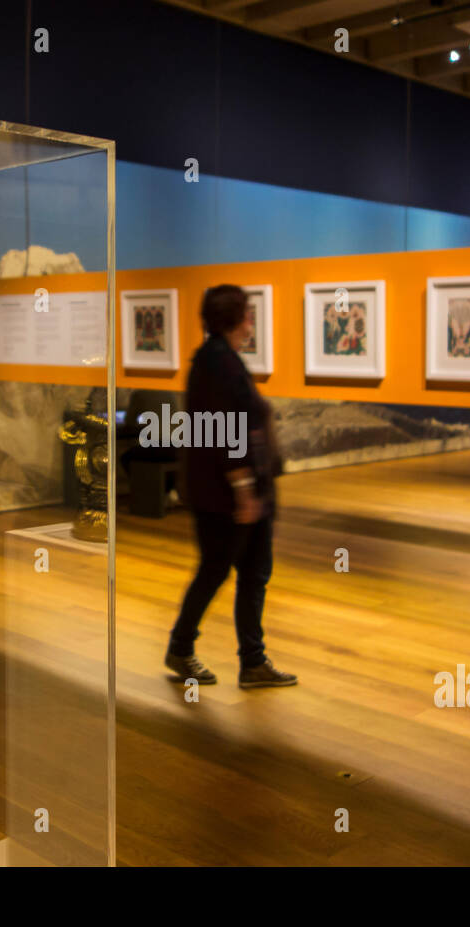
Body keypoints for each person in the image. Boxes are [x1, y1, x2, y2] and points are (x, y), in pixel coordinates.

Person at [165, 284, 296, 689]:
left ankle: (252, 661)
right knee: (216, 569)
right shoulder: (218, 362)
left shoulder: (217, 358)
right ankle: (182, 648)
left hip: (237, 492)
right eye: (248, 314)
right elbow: (225, 431)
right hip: (227, 496)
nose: (251, 322)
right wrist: (243, 490)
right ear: (236, 319)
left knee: (251, 574)